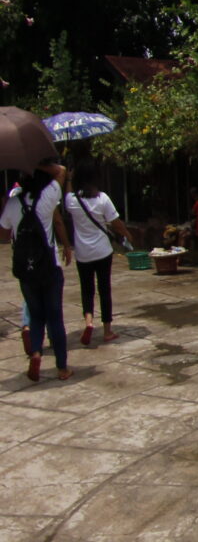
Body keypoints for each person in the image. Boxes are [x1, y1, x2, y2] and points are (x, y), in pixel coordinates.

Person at [3, 158, 72, 382]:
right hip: (49, 266)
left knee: (35, 316)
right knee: (55, 317)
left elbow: (4, 231)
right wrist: (35, 163)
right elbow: (62, 170)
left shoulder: (13, 203)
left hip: (26, 270)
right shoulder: (48, 197)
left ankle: (35, 353)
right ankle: (62, 368)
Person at [66, 166, 133, 346]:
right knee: (104, 289)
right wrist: (127, 234)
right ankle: (107, 330)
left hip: (83, 253)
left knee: (86, 289)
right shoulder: (102, 198)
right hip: (103, 251)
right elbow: (115, 222)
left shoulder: (72, 200)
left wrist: (69, 178)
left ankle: (89, 321)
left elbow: (67, 193)